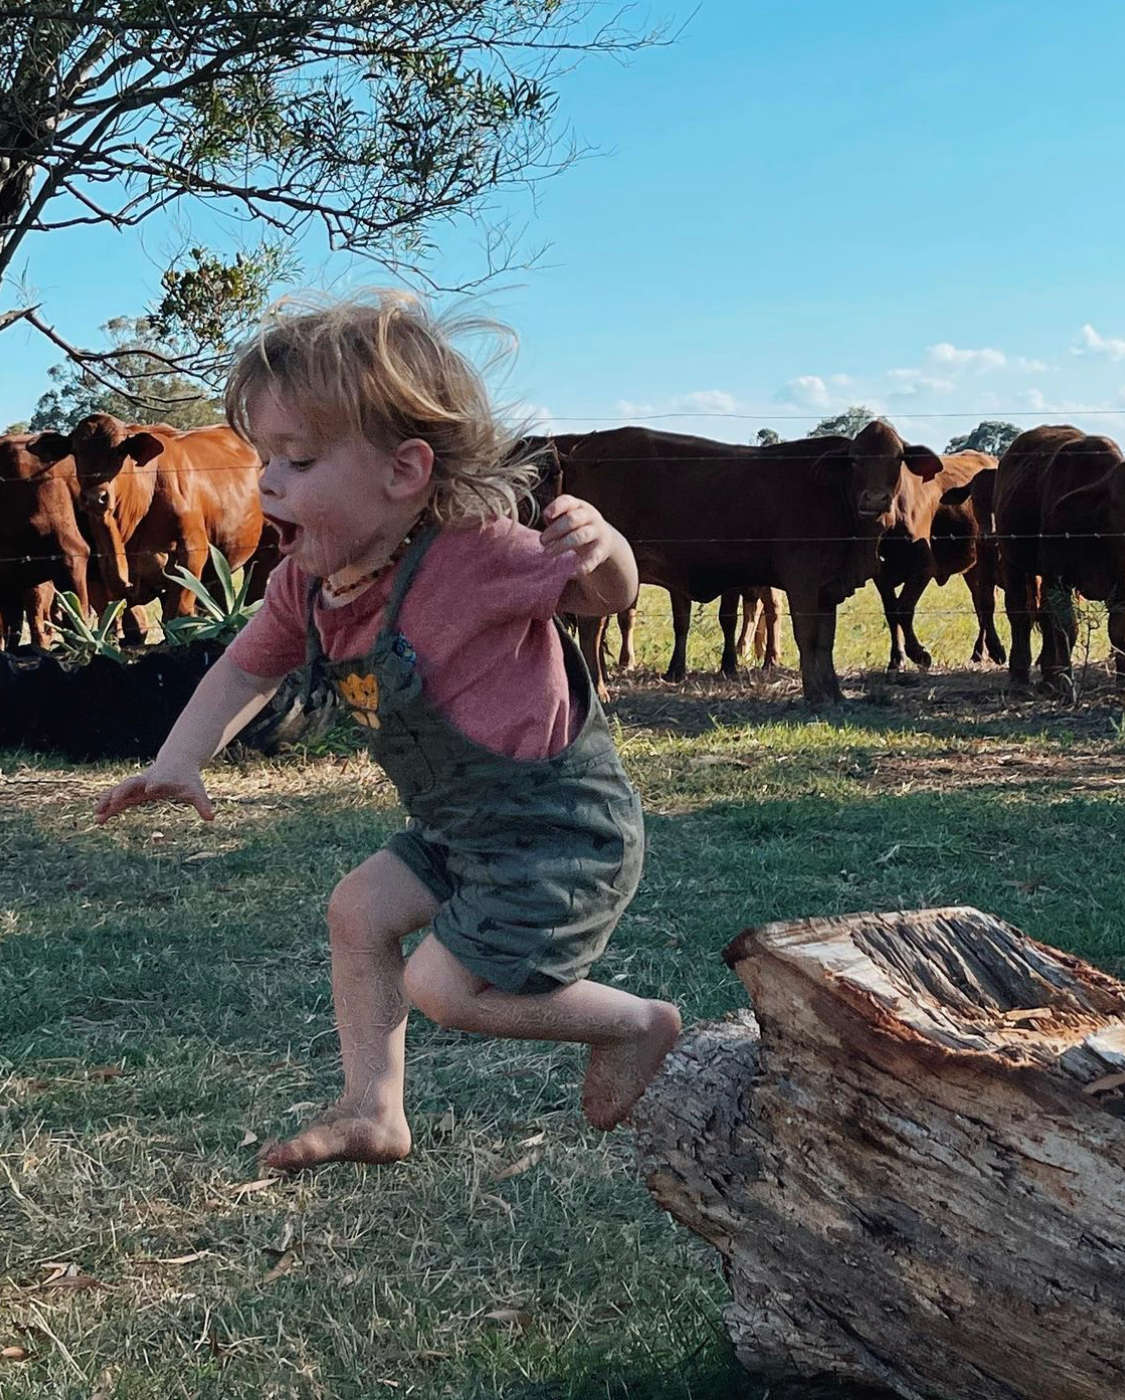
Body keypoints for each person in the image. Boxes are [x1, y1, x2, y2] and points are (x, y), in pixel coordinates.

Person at [94, 291, 681, 1172]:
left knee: (441, 987)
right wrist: (180, 759)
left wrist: (605, 549)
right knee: (357, 912)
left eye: (296, 458)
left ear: (403, 473)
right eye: (264, 459)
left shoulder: (479, 553)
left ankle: (638, 1023)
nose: (267, 483)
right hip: (456, 827)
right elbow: (244, 668)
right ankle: (373, 1112)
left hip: (558, 832)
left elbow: (609, 597)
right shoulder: (305, 584)